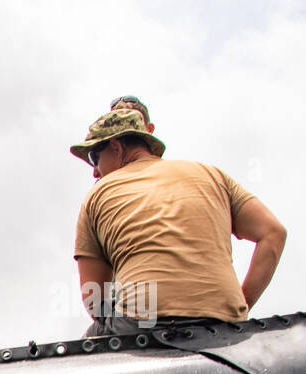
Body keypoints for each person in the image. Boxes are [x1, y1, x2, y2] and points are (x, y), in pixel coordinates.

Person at [70, 109, 287, 336]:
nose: (95, 172)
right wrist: (241, 306)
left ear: (117, 147)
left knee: (87, 345)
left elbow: (95, 299)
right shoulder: (211, 174)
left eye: (95, 158)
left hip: (143, 320)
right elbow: (274, 233)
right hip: (223, 320)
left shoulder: (98, 194)